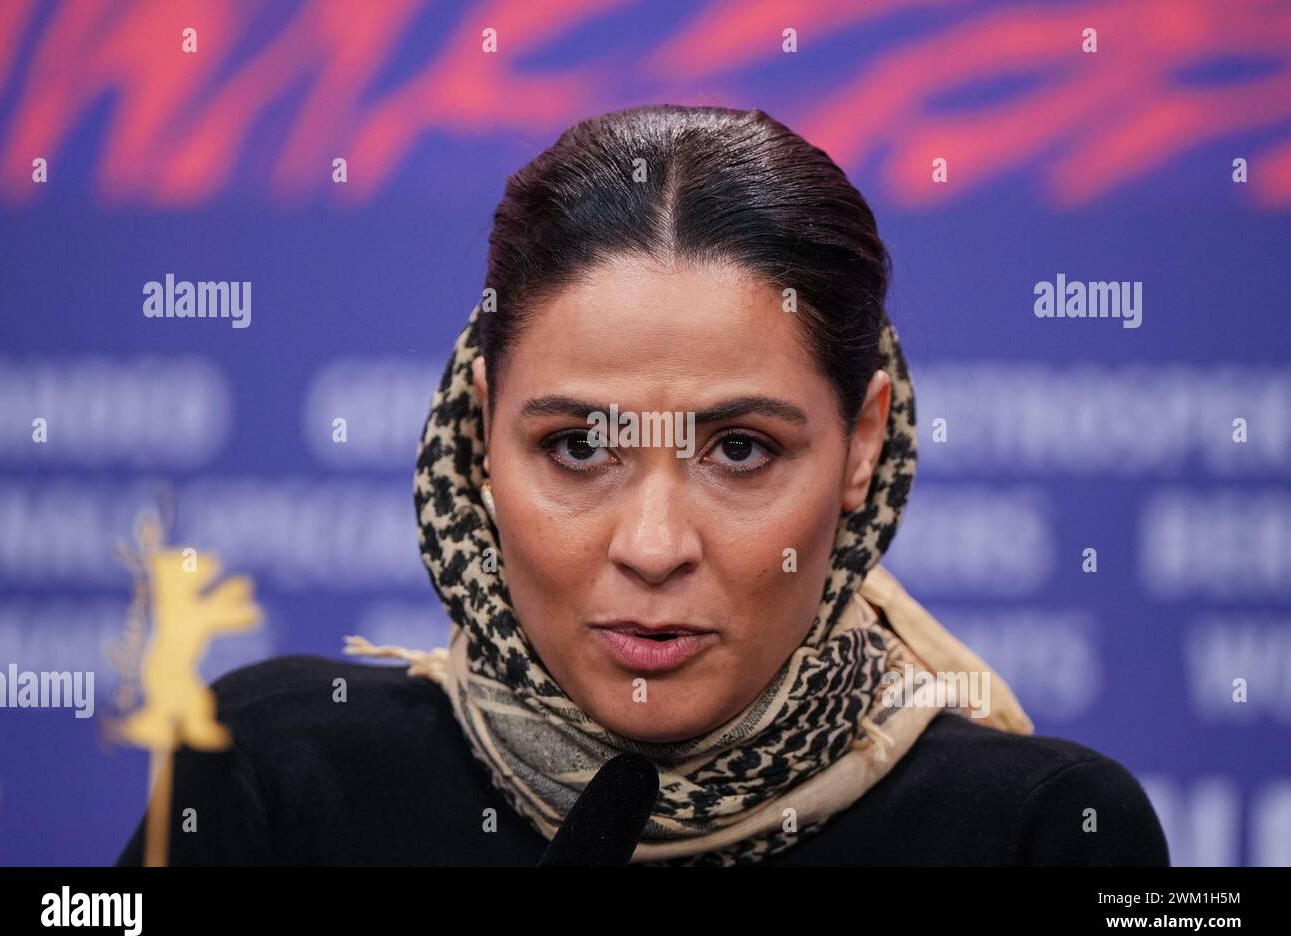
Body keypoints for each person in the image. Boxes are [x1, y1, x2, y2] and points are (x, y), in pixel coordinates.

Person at [115, 104, 1169, 866]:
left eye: (742, 450)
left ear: (860, 446)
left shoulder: (1038, 830)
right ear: (482, 433)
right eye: (578, 447)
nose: (654, 543)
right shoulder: (275, 771)